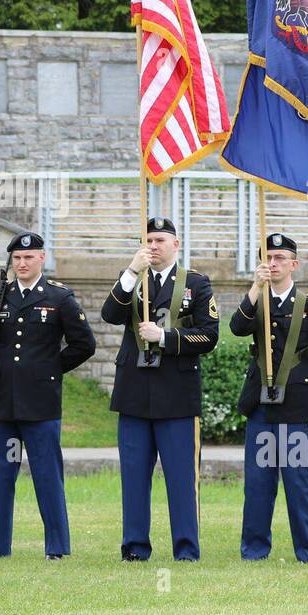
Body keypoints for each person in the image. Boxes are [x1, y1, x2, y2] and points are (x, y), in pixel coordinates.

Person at [0, 232, 96, 559]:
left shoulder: (59, 297)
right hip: (1, 404)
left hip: (40, 405)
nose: (21, 263)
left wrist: (50, 370)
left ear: (42, 258)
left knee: (47, 477)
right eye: (17, 259)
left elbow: (84, 345)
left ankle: (57, 548)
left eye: (28, 258)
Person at [100, 216, 219, 561]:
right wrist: (130, 272)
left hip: (176, 395)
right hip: (134, 392)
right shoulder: (134, 280)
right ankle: (135, 548)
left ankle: (186, 549)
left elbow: (209, 336)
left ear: (176, 245)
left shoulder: (196, 284)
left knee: (182, 480)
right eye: (148, 240)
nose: (153, 246)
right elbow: (109, 314)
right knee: (134, 478)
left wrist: (165, 337)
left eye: (160, 241)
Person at [229, 233, 308, 563]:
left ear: (294, 264)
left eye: (280, 258)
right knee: (258, 484)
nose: (273, 263)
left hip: (296, 405)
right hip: (261, 404)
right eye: (268, 257)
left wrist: (305, 382)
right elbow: (237, 327)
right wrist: (254, 287)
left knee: (299, 484)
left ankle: (307, 550)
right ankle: (254, 549)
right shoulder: (257, 300)